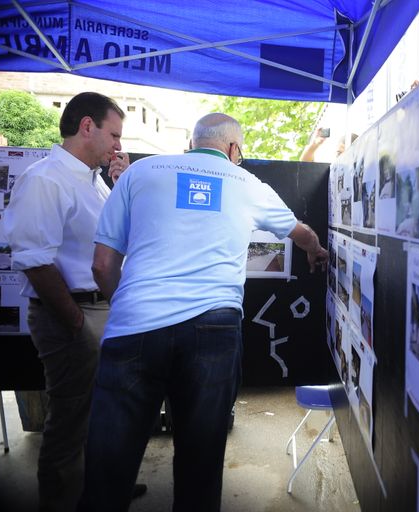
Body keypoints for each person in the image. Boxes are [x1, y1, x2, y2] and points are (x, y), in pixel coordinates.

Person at [79, 112, 328, 511]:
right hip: (212, 330)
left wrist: (128, 304)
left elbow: (102, 266)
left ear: (193, 143)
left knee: (108, 466)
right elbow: (299, 231)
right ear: (233, 149)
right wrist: (314, 249)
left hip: (134, 328)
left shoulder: (139, 173)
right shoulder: (247, 182)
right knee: (201, 464)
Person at [2, 91, 146, 511]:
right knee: (69, 421)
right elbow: (35, 262)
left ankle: (98, 489)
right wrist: (77, 325)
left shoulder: (92, 178)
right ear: (87, 127)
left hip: (99, 308)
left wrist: (122, 186)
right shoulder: (46, 178)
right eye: (114, 135)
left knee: (97, 412)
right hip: (73, 312)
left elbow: (115, 237)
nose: (119, 145)